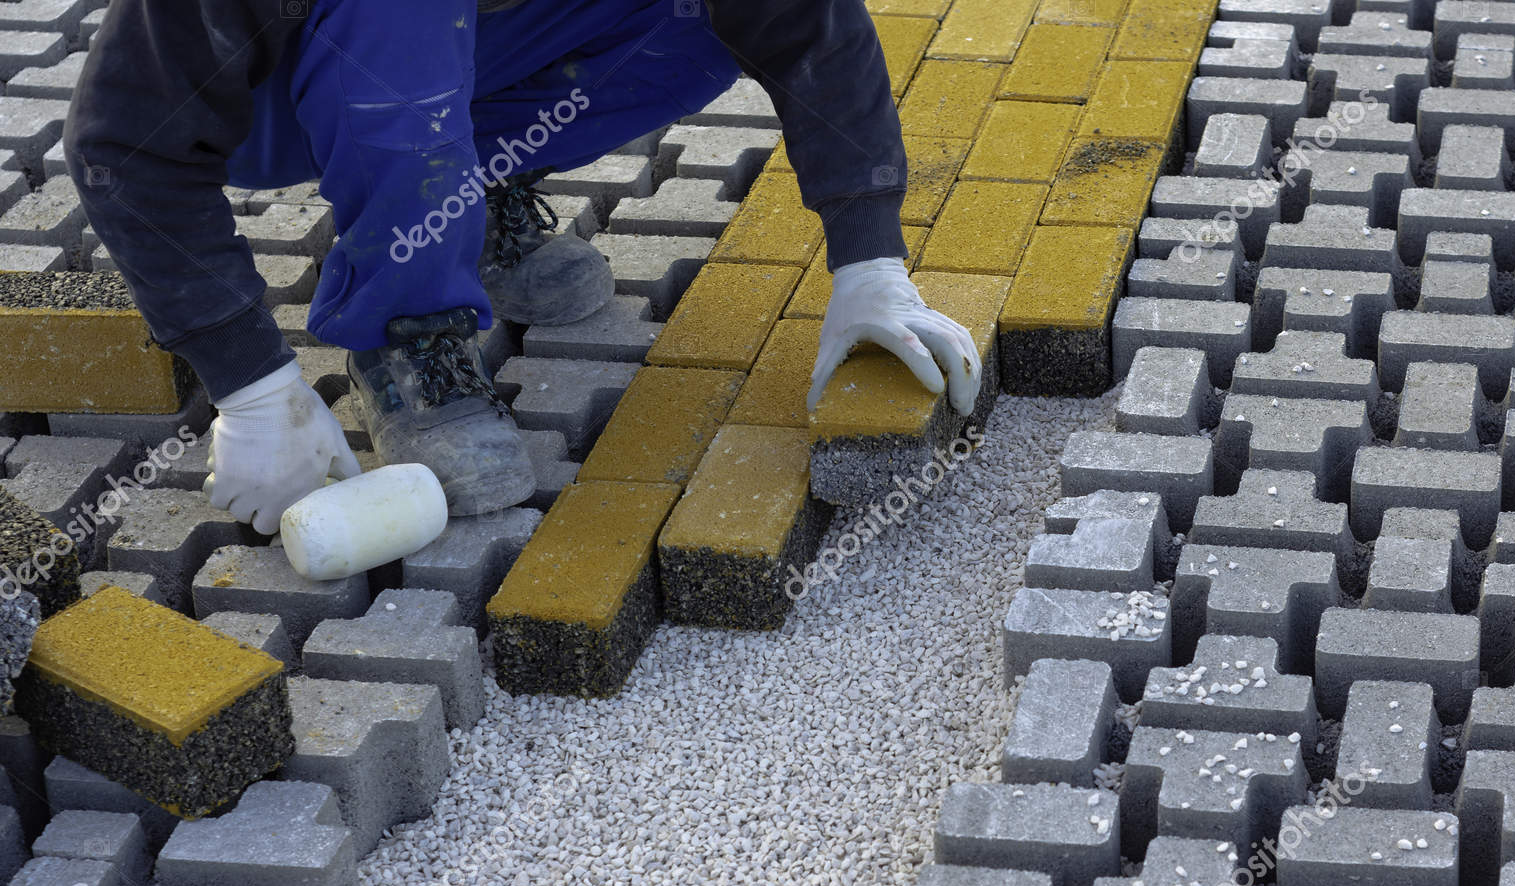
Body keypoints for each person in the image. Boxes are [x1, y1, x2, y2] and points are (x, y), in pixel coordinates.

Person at [65, 0, 981, 532]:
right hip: (280, 90)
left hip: (458, 43)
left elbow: (804, 23)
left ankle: (460, 194)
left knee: (693, 19)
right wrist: (251, 385)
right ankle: (406, 331)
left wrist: (871, 261)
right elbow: (120, 142)